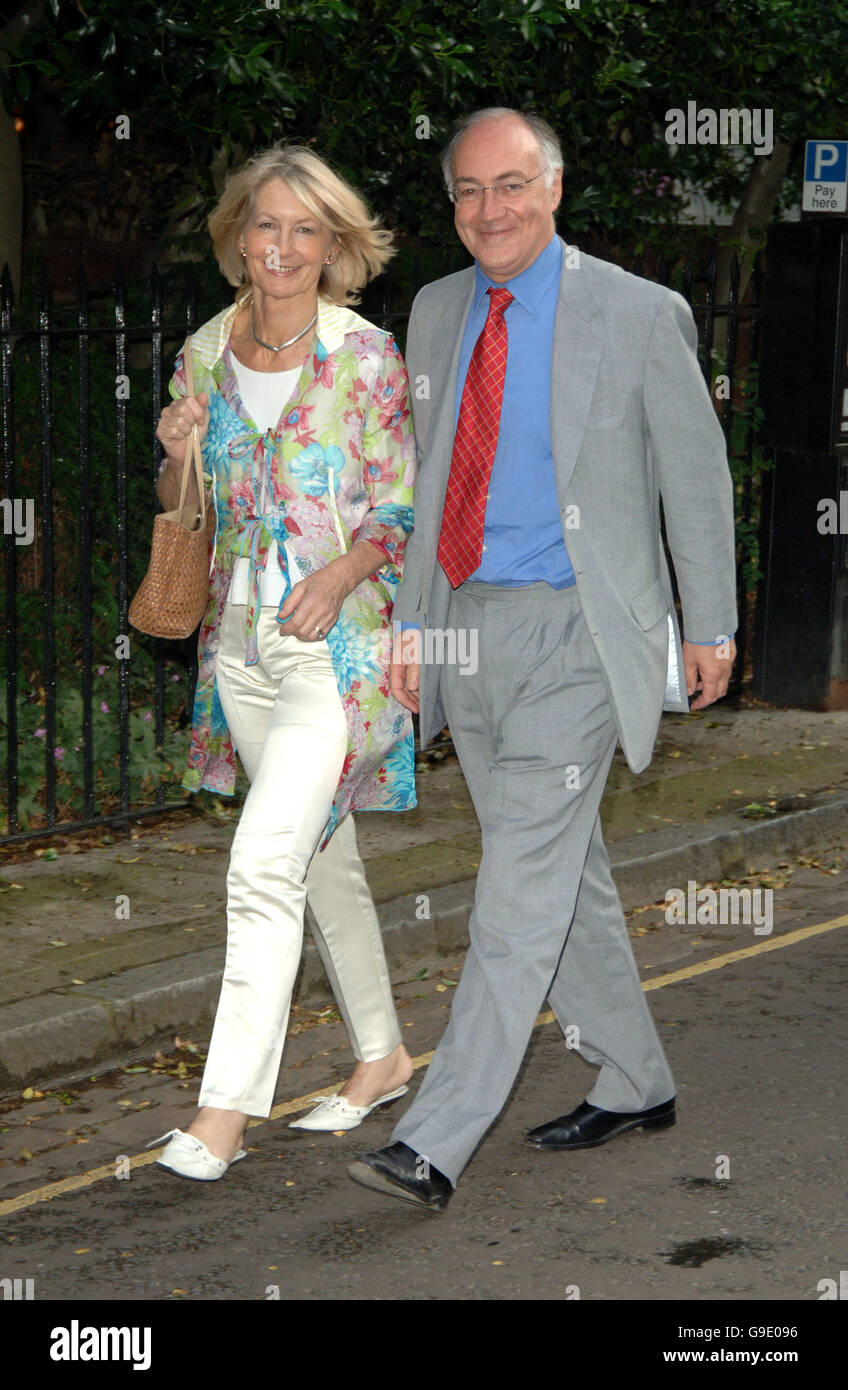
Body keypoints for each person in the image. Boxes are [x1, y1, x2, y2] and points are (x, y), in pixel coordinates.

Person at [348, 108, 737, 1212]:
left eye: (510, 185)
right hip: (468, 625)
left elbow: (694, 480)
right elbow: (426, 491)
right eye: (468, 192)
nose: (489, 211)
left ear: (553, 189)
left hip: (578, 630)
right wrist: (414, 627)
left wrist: (709, 622)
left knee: (514, 889)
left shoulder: (635, 309)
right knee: (563, 872)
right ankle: (635, 1078)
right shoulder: (431, 310)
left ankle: (434, 1137)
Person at [145, 143, 417, 1181]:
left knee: (262, 867)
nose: (285, 246)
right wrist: (176, 452)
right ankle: (382, 1053)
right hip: (242, 655)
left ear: (335, 246)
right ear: (237, 236)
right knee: (320, 857)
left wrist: (343, 570)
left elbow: (397, 508)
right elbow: (188, 516)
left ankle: (220, 1113)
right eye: (268, 224)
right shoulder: (205, 353)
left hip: (335, 656)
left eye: (308, 229)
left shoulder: (365, 357)